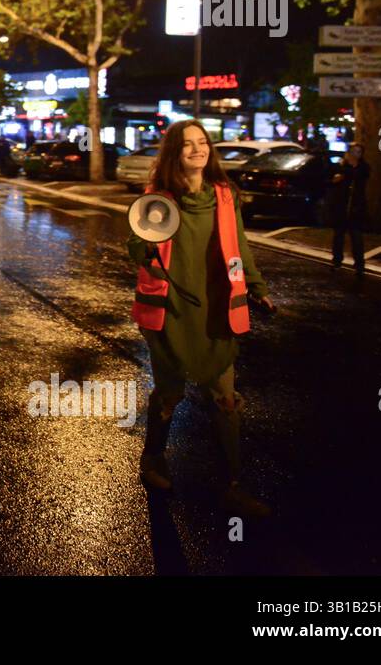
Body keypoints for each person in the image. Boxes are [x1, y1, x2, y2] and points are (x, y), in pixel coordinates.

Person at [128, 119, 276, 519]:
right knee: (169, 395)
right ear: (174, 153)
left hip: (216, 311)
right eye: (187, 145)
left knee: (226, 400)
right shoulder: (158, 199)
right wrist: (144, 256)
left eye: (202, 142)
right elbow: (137, 243)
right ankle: (153, 460)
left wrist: (258, 288)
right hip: (171, 311)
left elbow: (240, 249)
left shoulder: (226, 196)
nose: (197, 150)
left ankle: (233, 486)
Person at [328, 142, 369, 275]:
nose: (356, 154)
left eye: (359, 152)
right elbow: (333, 179)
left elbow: (360, 175)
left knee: (356, 236)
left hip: (356, 206)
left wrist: (345, 173)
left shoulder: (363, 167)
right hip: (341, 205)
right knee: (339, 235)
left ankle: (359, 264)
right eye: (354, 151)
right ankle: (337, 261)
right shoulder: (341, 166)